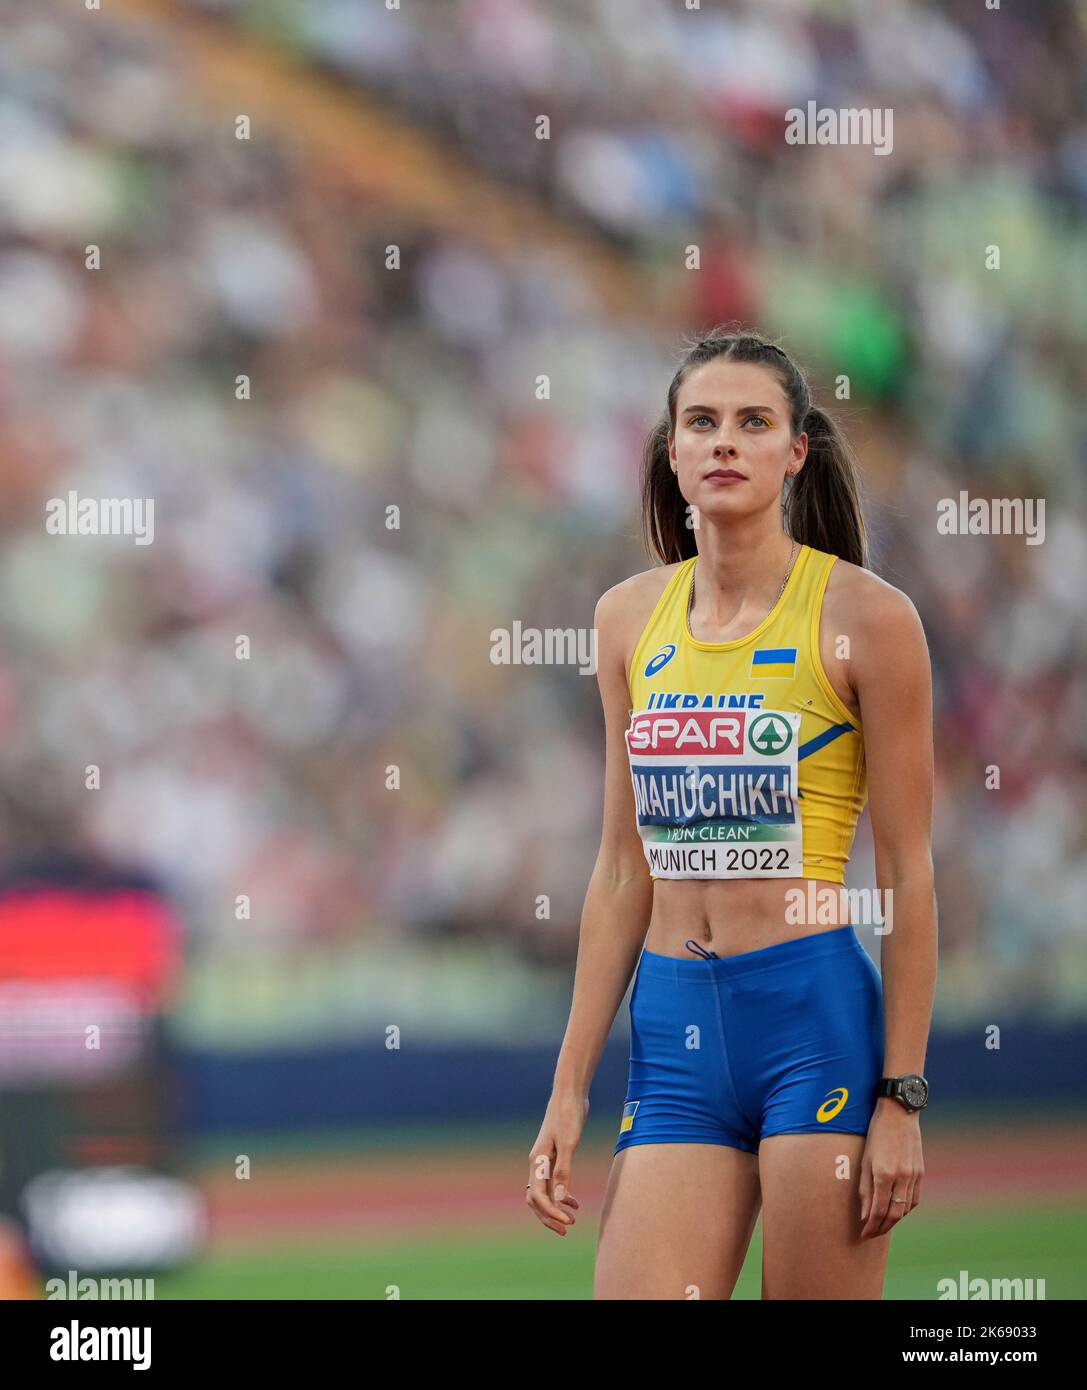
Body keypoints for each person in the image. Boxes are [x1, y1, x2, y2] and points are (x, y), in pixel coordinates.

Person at [526, 328, 936, 1300]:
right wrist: (569, 1082)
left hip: (812, 1023)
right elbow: (621, 869)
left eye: (752, 422)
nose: (723, 442)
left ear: (795, 450)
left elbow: (910, 871)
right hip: (672, 1032)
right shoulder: (627, 618)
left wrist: (902, 1096)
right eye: (700, 422)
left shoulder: (868, 619)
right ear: (669, 450)